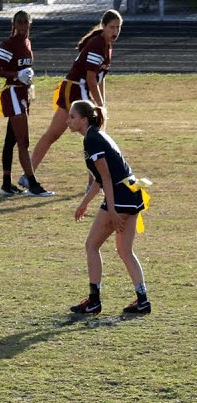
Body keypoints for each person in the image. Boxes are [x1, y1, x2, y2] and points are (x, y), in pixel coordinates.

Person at [66, 101, 152, 316]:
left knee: (91, 245)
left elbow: (106, 177)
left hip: (120, 197)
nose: (68, 120)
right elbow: (98, 180)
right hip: (132, 194)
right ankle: (142, 300)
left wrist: (112, 210)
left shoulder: (92, 140)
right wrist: (83, 204)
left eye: (72, 117)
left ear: (84, 119)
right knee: (125, 250)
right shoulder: (98, 135)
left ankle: (94, 301)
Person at [29, 10, 122, 180]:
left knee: (57, 134)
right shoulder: (98, 44)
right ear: (103, 26)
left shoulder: (106, 45)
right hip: (75, 89)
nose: (115, 32)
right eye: (111, 27)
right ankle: (29, 174)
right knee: (92, 136)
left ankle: (92, 180)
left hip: (77, 89)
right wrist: (99, 104)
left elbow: (100, 79)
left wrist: (103, 102)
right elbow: (91, 78)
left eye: (118, 27)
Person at [0, 10, 53, 197]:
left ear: (30, 24)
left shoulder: (27, 42)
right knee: (23, 141)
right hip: (12, 93)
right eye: (19, 22)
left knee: (11, 139)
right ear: (14, 24)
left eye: (25, 22)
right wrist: (16, 75)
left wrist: (27, 77)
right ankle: (32, 184)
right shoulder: (9, 44)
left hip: (22, 93)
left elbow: (23, 66)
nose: (22, 26)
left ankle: (6, 184)